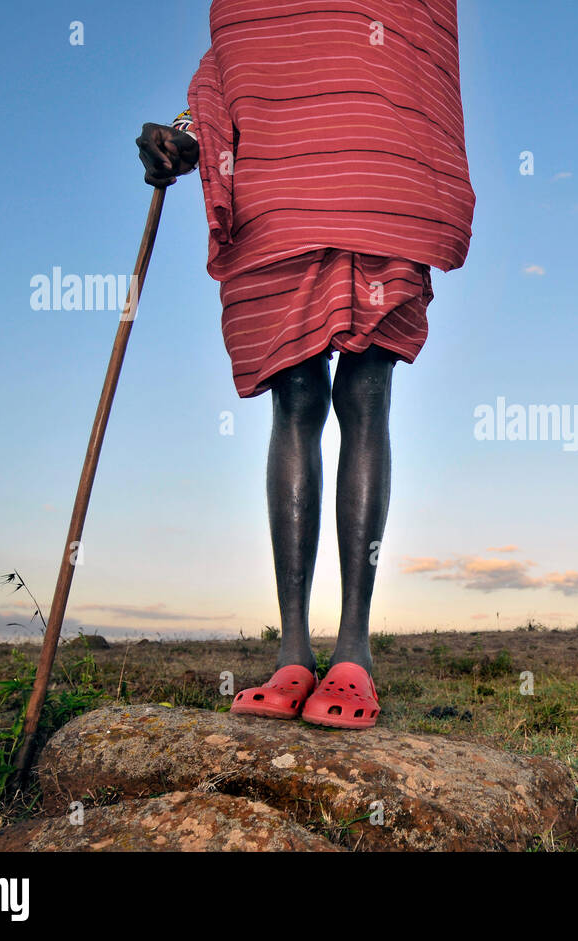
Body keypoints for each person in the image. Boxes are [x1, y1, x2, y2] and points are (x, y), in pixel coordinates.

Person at [136, 0, 475, 728]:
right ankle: (293, 648)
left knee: (367, 387)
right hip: (278, 179)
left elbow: (418, 50)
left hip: (380, 161)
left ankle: (353, 649)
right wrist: (189, 132)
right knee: (294, 394)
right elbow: (239, 55)